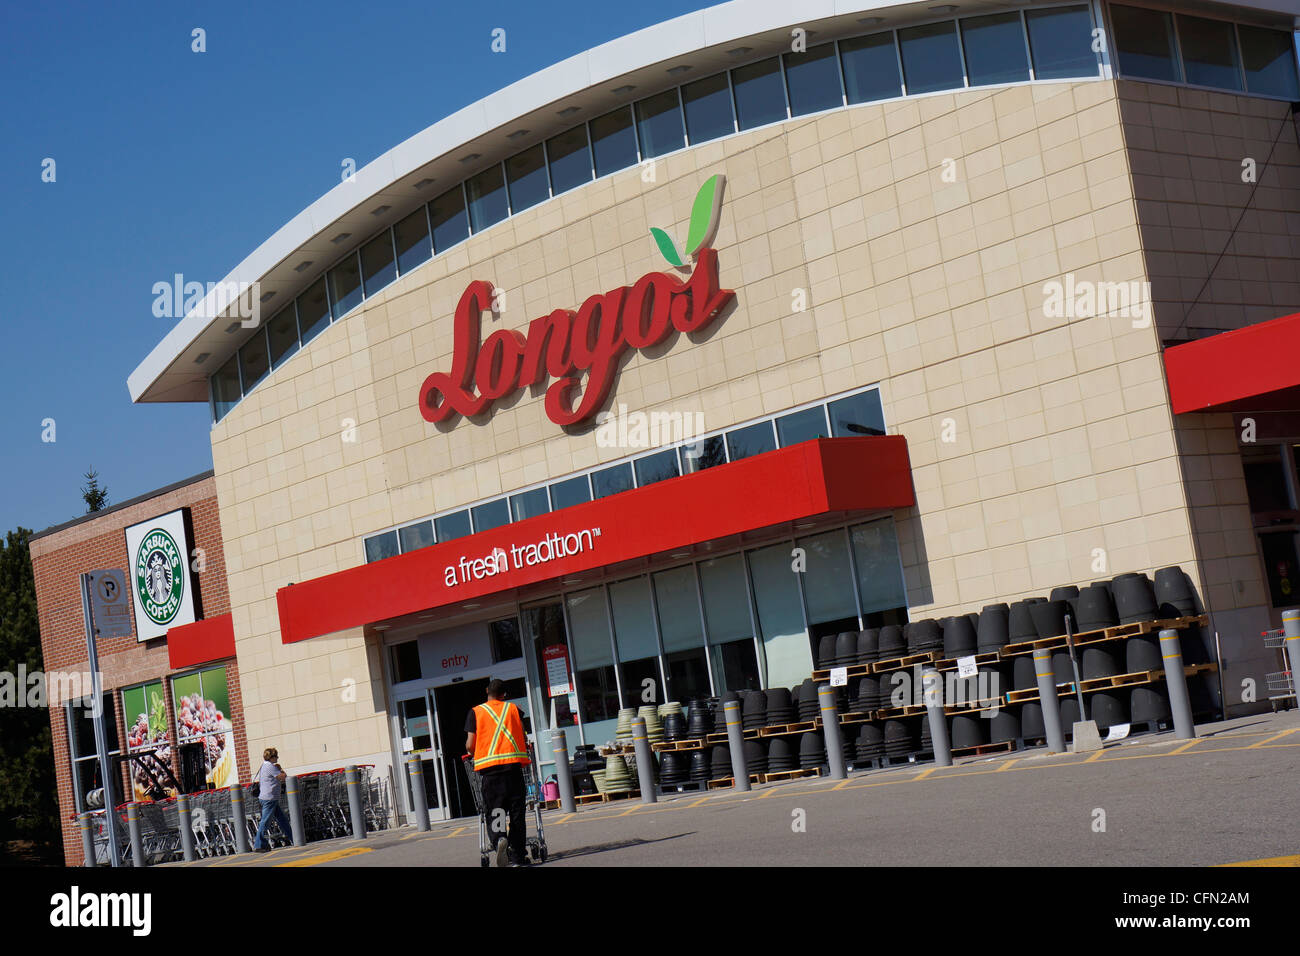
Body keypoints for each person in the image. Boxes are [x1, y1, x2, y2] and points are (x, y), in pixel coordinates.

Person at [465, 680, 531, 866]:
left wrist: (476, 752)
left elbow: (470, 744)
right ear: (505, 694)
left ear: (487, 691)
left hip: (491, 774)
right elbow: (523, 735)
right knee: (517, 815)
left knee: (497, 812)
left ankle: (500, 839)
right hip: (514, 771)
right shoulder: (514, 709)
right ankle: (517, 857)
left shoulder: (476, 712)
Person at [252, 747, 291, 852]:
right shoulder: (270, 766)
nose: (277, 758)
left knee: (282, 820)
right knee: (265, 822)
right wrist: (281, 769)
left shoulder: (265, 766)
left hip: (270, 798)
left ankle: (293, 837)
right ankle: (259, 845)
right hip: (269, 799)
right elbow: (283, 777)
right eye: (276, 756)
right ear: (272, 757)